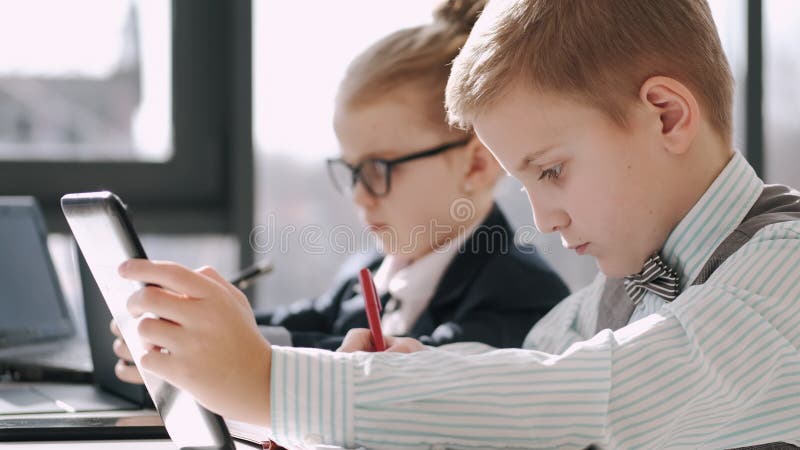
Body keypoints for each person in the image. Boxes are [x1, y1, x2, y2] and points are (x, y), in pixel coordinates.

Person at [117, 0, 800, 448]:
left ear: (667, 116)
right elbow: (527, 366)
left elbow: (595, 396)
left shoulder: (784, 267)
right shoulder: (606, 299)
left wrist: (273, 382)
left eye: (553, 171)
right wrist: (418, 373)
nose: (541, 216)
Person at [111, 0, 568, 384]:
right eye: (351, 171)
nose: (359, 196)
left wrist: (234, 349)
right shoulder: (366, 270)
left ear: (476, 162)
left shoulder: (522, 293)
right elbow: (306, 323)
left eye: (378, 168)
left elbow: (412, 373)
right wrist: (190, 326)